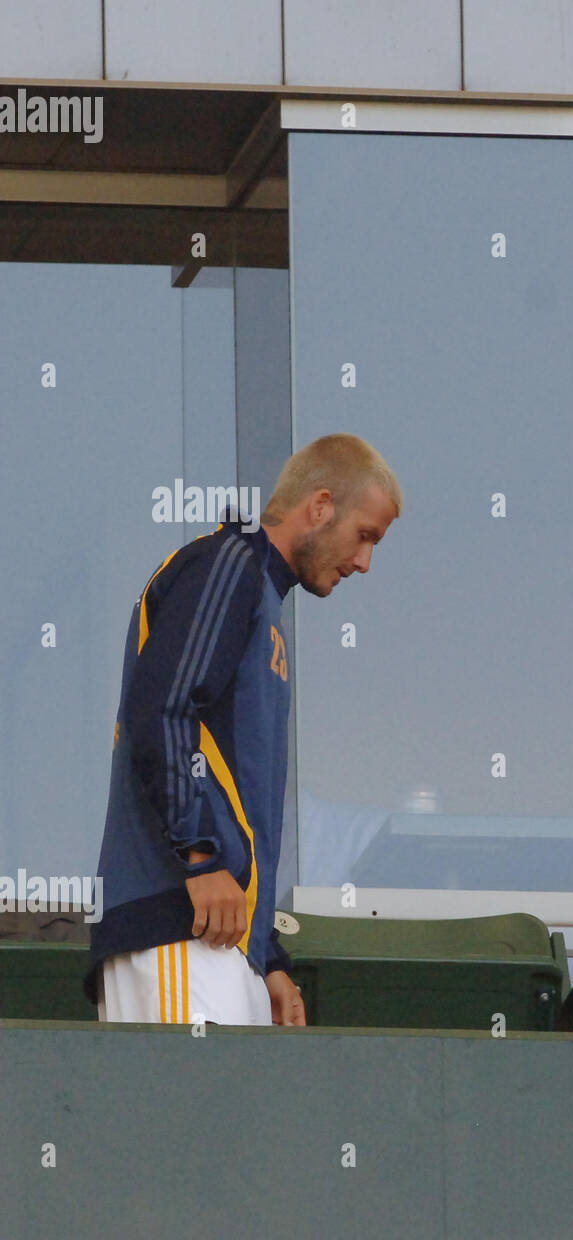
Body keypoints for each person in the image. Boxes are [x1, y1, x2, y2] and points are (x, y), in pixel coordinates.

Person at [89, 433, 402, 1026]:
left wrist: (269, 959)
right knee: (194, 1118)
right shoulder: (228, 563)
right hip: (179, 922)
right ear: (320, 505)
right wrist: (202, 858)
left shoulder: (261, 597)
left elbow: (242, 802)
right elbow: (162, 708)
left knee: (226, 1119)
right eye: (365, 535)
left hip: (223, 936)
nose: (364, 562)